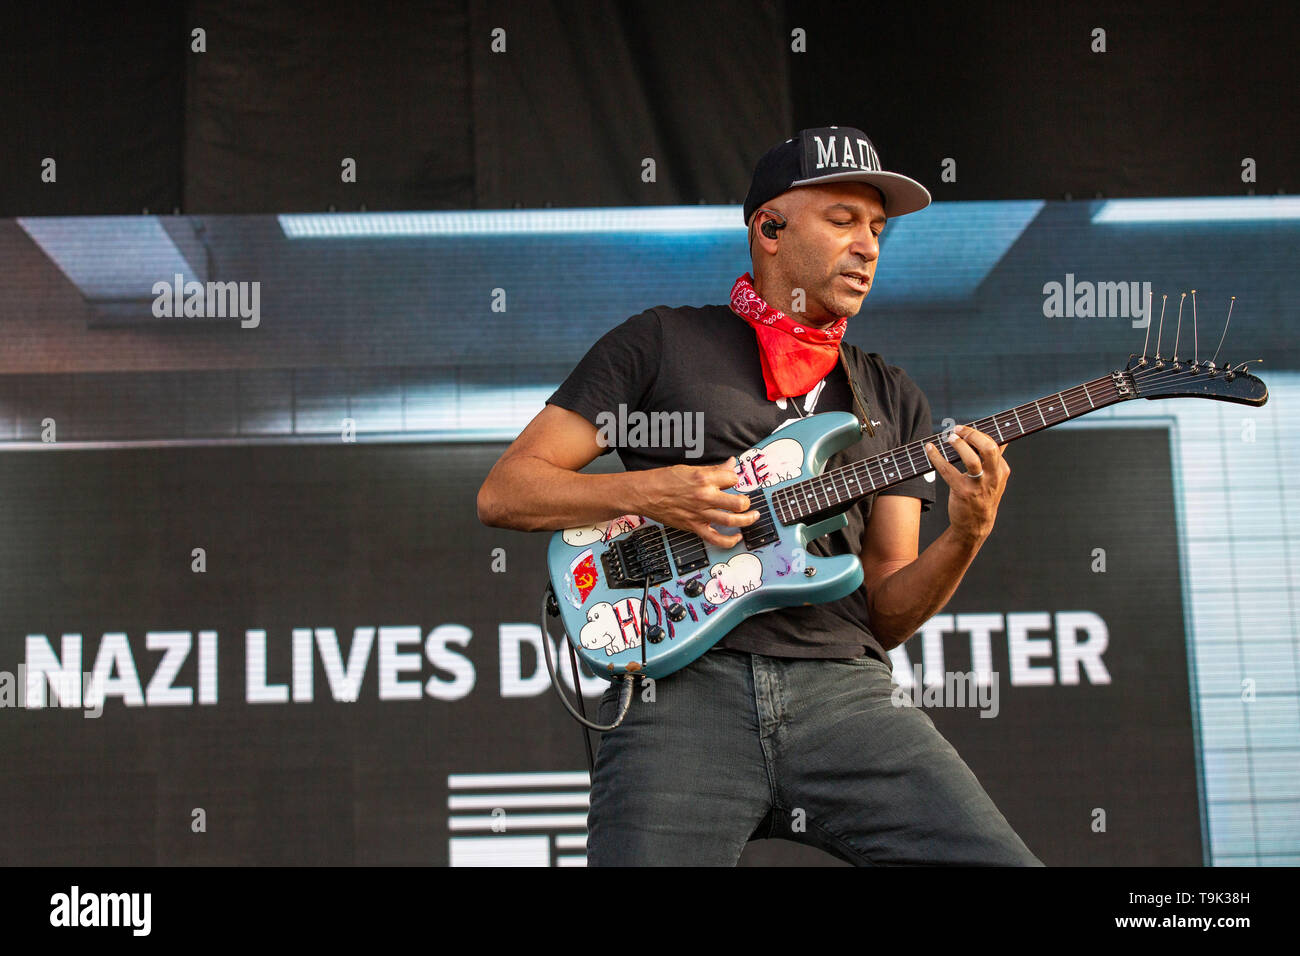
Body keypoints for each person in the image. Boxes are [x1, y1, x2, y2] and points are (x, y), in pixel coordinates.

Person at [477, 126, 1042, 866]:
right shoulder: (660, 343)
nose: (869, 245)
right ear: (769, 228)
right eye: (843, 219)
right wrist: (659, 491)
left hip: (846, 693)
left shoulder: (891, 395)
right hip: (679, 691)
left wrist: (966, 534)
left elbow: (888, 610)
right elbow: (508, 490)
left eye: (877, 228)